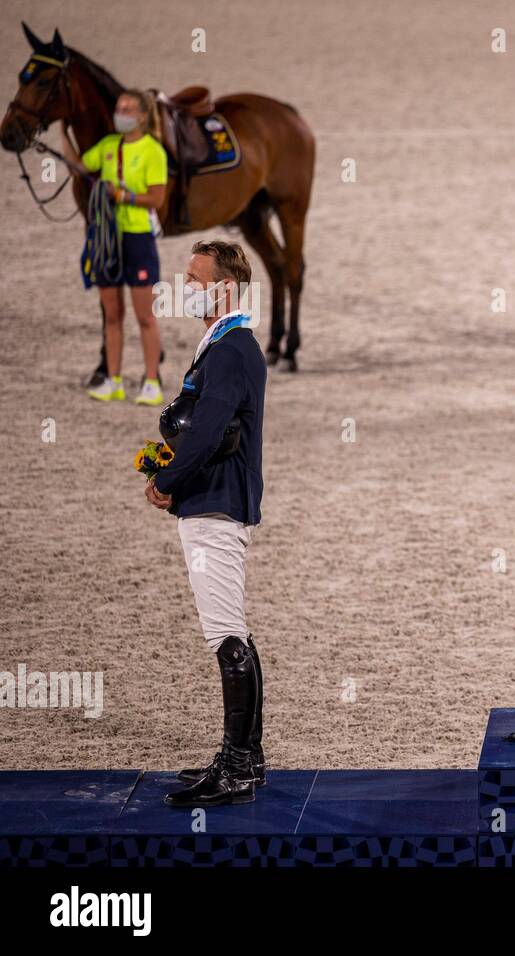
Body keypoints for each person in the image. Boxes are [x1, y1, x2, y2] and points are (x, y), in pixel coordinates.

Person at [145, 240, 267, 807]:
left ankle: (237, 768)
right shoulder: (226, 343)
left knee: (226, 639)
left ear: (224, 287)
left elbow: (209, 432)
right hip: (217, 501)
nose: (185, 287)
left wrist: (165, 480)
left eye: (195, 279)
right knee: (233, 633)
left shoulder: (231, 348)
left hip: (215, 506)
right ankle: (245, 759)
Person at [60, 89, 169, 405]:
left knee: (144, 315)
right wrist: (64, 133)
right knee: (112, 313)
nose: (120, 112)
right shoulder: (107, 147)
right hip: (107, 237)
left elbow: (157, 198)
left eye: (127, 109)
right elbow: (78, 167)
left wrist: (123, 196)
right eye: (119, 107)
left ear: (142, 117)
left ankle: (151, 381)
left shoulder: (153, 152)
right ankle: (114, 379)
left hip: (137, 238)